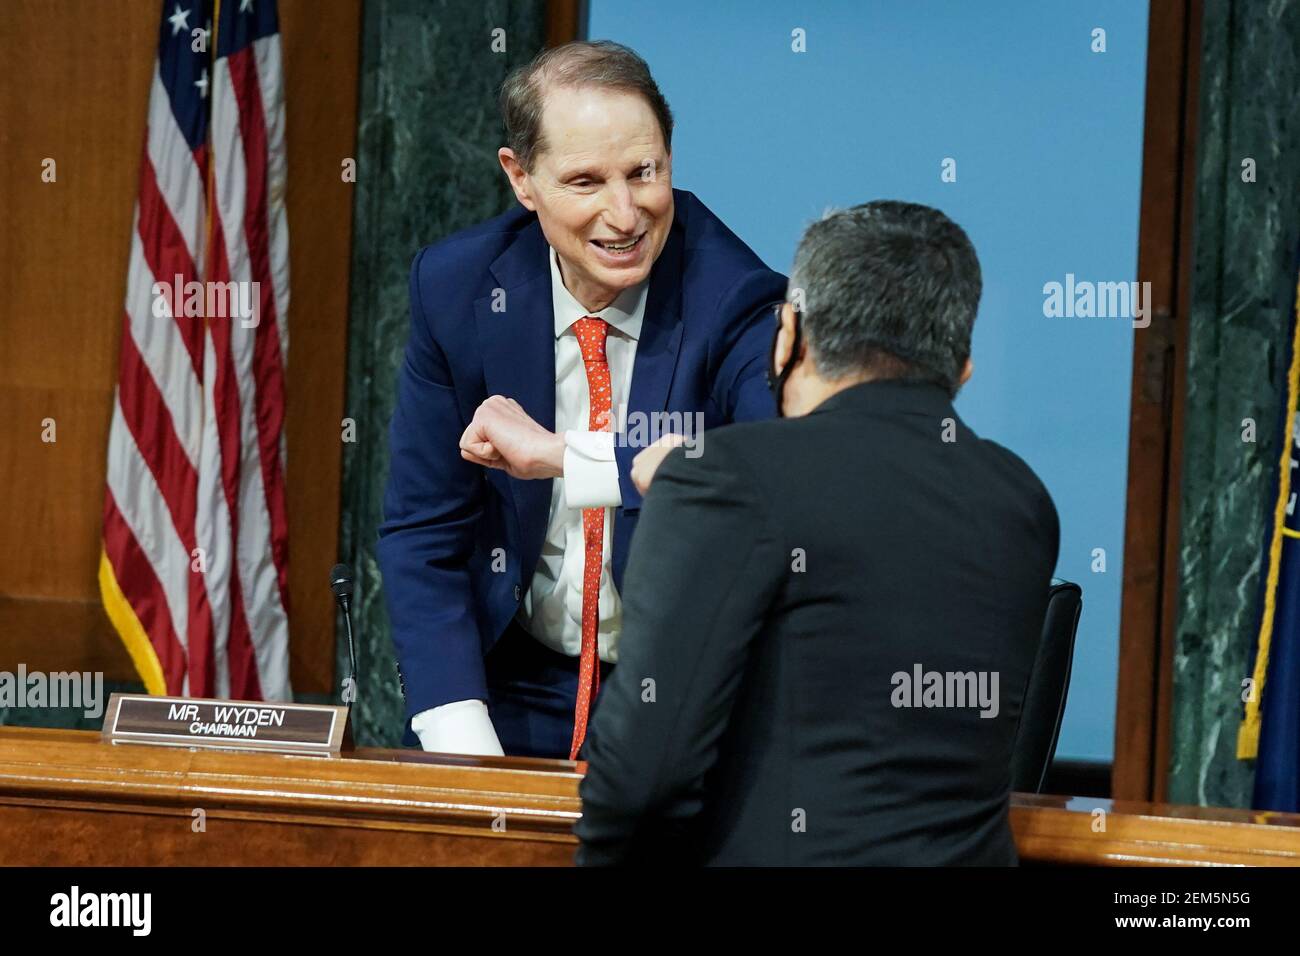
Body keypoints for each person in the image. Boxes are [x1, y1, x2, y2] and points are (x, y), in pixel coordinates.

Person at [575, 201, 1060, 865]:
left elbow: (641, 780)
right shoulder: (1022, 502)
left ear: (788, 334)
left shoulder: (726, 478)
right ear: (962, 367)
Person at [377, 41, 786, 759]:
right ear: (521, 178)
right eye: (585, 181)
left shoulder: (737, 299)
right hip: (511, 681)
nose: (624, 214)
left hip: (686, 693)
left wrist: (564, 457)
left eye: (643, 172)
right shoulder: (459, 289)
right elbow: (423, 531)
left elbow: (765, 473)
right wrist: (459, 736)